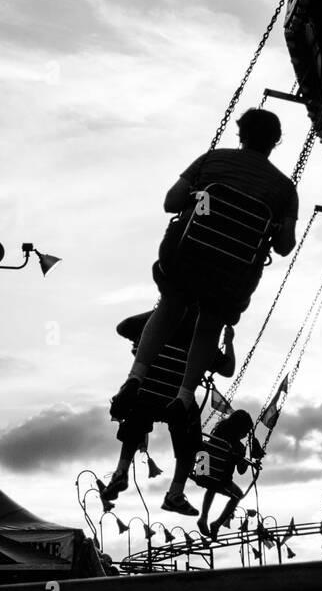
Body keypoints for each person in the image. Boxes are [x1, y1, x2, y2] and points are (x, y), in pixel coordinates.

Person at [126, 108, 299, 421]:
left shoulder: (212, 159)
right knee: (210, 324)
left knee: (170, 307)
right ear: (276, 142)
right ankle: (183, 396)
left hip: (185, 257)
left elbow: (171, 203)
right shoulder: (285, 189)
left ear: (240, 134)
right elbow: (285, 246)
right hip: (232, 275)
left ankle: (135, 377)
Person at [101, 310, 236, 511]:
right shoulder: (201, 340)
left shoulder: (156, 328)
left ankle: (121, 471)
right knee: (190, 446)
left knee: (135, 422)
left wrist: (163, 309)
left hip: (147, 392)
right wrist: (229, 341)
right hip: (178, 399)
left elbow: (123, 327)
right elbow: (228, 370)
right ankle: (175, 493)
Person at [196, 409, 254, 539]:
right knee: (238, 495)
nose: (245, 435)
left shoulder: (216, 434)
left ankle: (203, 517)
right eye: (245, 432)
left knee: (212, 486)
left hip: (202, 473)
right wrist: (248, 461)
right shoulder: (237, 447)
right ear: (240, 429)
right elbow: (241, 470)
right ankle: (217, 523)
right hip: (221, 479)